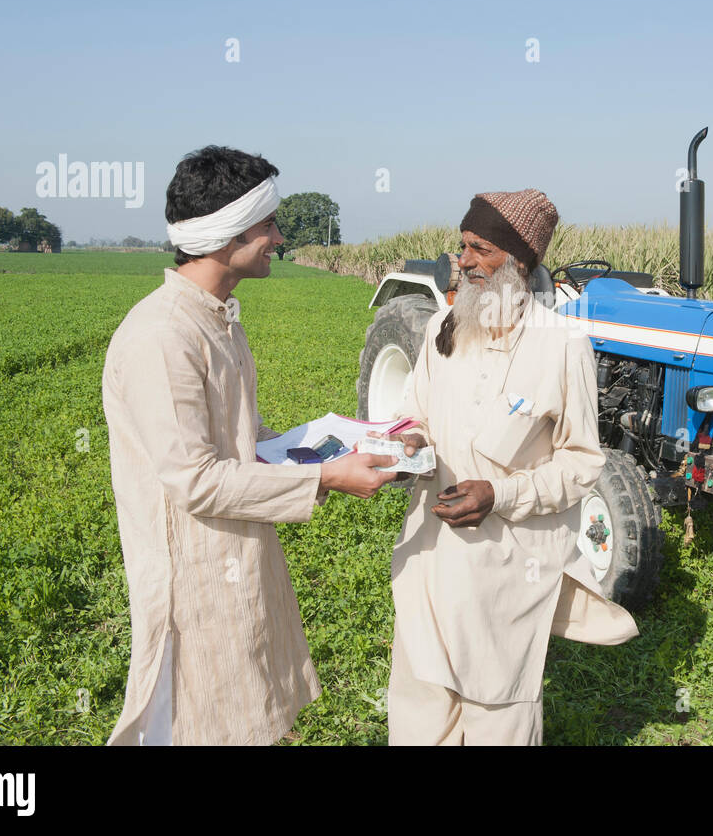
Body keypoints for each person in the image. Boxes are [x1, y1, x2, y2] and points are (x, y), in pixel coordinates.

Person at [102, 145, 398, 745]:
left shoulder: (217, 318)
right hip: (193, 571)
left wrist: (337, 445)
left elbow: (239, 435)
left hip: (235, 550)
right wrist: (324, 477)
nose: (279, 237)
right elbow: (196, 479)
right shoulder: (163, 337)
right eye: (268, 224)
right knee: (194, 717)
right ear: (226, 234)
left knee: (243, 707)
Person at [382, 188, 639, 746]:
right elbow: (412, 413)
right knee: (420, 699)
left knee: (498, 706)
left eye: (480, 249)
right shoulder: (441, 331)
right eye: (463, 247)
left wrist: (499, 495)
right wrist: (410, 445)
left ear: (519, 261)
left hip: (506, 566)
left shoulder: (562, 346)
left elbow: (581, 463)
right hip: (430, 550)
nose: (464, 260)